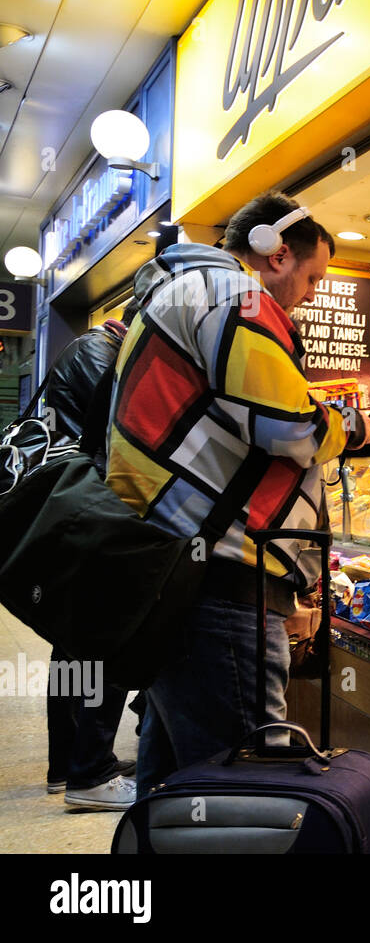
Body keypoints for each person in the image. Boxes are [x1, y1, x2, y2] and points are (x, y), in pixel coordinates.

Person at [104, 191, 370, 797]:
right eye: (313, 276)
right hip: (220, 577)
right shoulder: (238, 299)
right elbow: (293, 428)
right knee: (245, 785)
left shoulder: (184, 291)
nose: (311, 294)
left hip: (173, 567)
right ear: (275, 253)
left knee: (177, 779)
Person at [42, 309, 138, 809]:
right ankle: (88, 769)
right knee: (99, 639)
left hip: (81, 509)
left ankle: (72, 762)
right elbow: (116, 433)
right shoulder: (96, 354)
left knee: (76, 643)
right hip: (92, 511)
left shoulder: (94, 351)